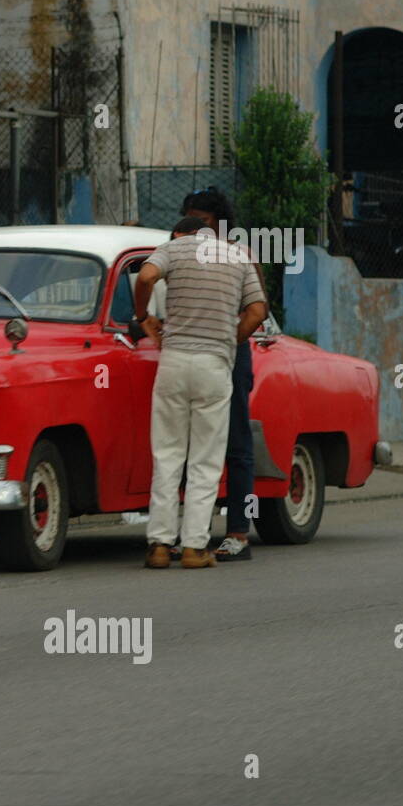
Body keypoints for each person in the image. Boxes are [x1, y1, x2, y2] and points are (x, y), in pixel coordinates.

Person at [133, 216, 267, 569]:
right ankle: (194, 548)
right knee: (206, 461)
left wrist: (142, 315)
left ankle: (160, 545)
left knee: (167, 456)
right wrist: (230, 339)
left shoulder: (173, 249)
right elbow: (258, 310)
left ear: (181, 233)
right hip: (214, 365)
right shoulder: (237, 256)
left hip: (174, 360)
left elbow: (146, 276)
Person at [179, 187, 263, 561]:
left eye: (205, 220)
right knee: (189, 447)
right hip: (188, 356)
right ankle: (192, 534)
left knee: (237, 444)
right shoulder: (180, 253)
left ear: (220, 223)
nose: (198, 227)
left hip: (229, 355)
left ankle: (238, 533)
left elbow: (257, 309)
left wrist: (230, 342)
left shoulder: (241, 255)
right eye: (191, 219)